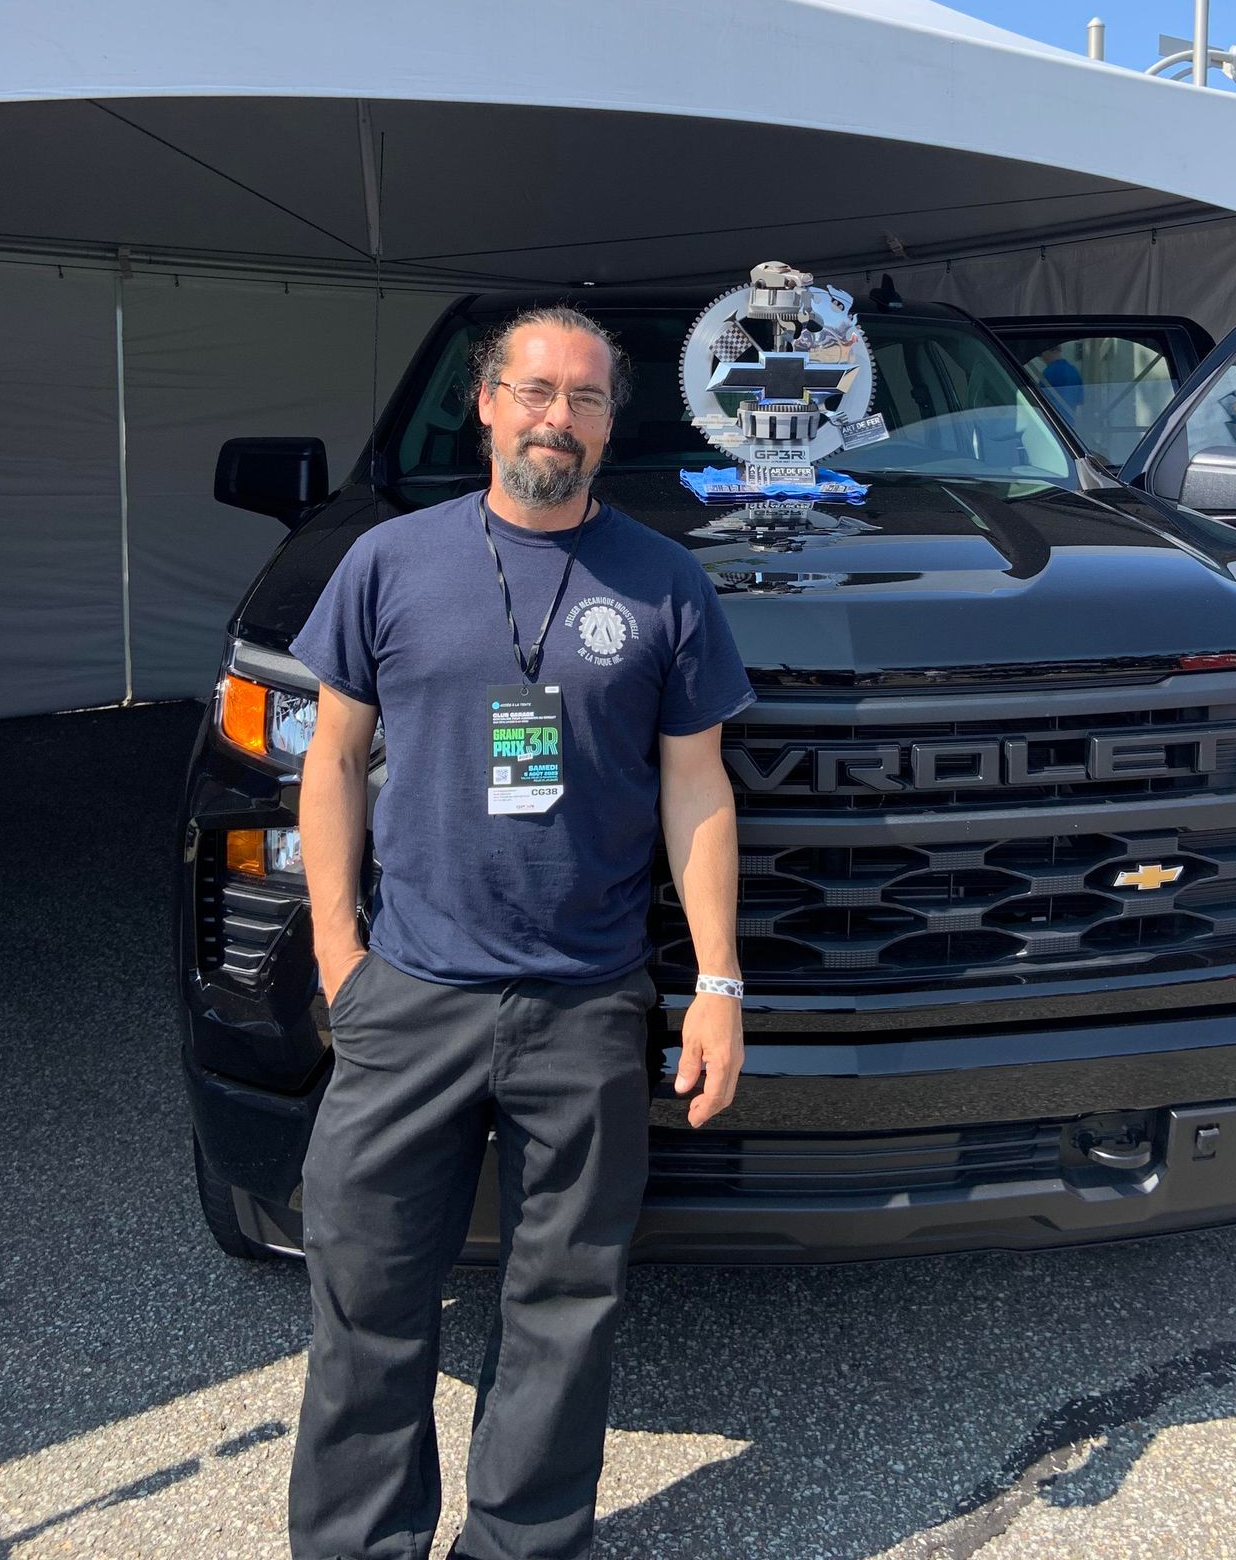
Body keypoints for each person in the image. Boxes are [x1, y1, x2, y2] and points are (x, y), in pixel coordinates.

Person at [285, 304, 755, 1560]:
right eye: (537, 390)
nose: (560, 417)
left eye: (588, 397)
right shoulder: (386, 564)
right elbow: (330, 763)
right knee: (367, 1298)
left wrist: (717, 981)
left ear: (613, 420)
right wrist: (341, 954)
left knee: (563, 1309)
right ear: (486, 404)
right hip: (410, 996)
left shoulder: (665, 582)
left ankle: (523, 1543)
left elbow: (698, 788)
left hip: (587, 1004)